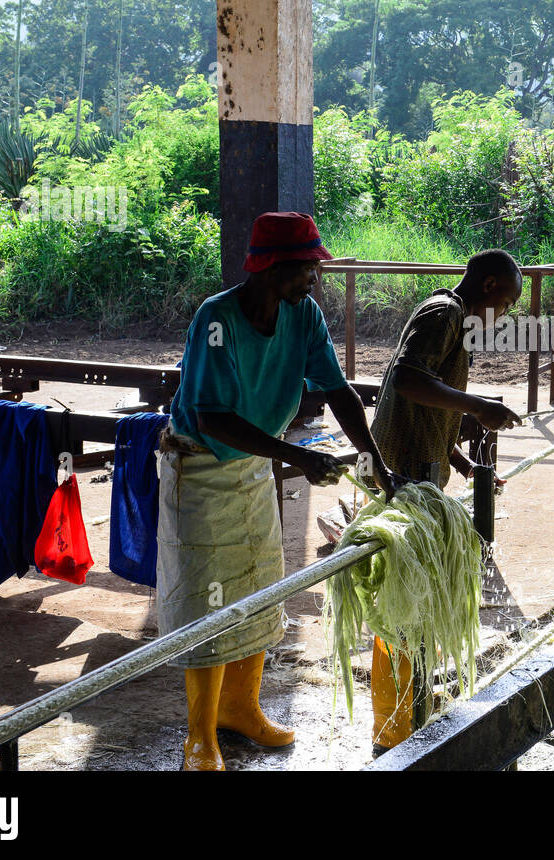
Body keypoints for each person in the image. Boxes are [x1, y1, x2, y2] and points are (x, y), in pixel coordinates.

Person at [158, 210, 399, 771]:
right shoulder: (216, 320)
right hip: (200, 468)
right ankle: (201, 736)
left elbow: (338, 391)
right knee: (207, 598)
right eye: (304, 270)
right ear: (269, 267)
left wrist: (374, 461)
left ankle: (242, 708)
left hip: (253, 466)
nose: (313, 280)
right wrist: (298, 456)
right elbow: (213, 417)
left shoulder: (304, 315)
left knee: (258, 585)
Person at [363, 248, 524, 755]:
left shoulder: (453, 322)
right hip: (399, 474)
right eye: (508, 304)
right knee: (402, 598)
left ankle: (413, 702)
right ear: (490, 285)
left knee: (421, 593)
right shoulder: (445, 312)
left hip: (421, 468)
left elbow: (429, 409)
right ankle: (393, 726)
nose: (505, 317)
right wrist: (479, 406)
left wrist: (462, 464)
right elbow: (408, 380)